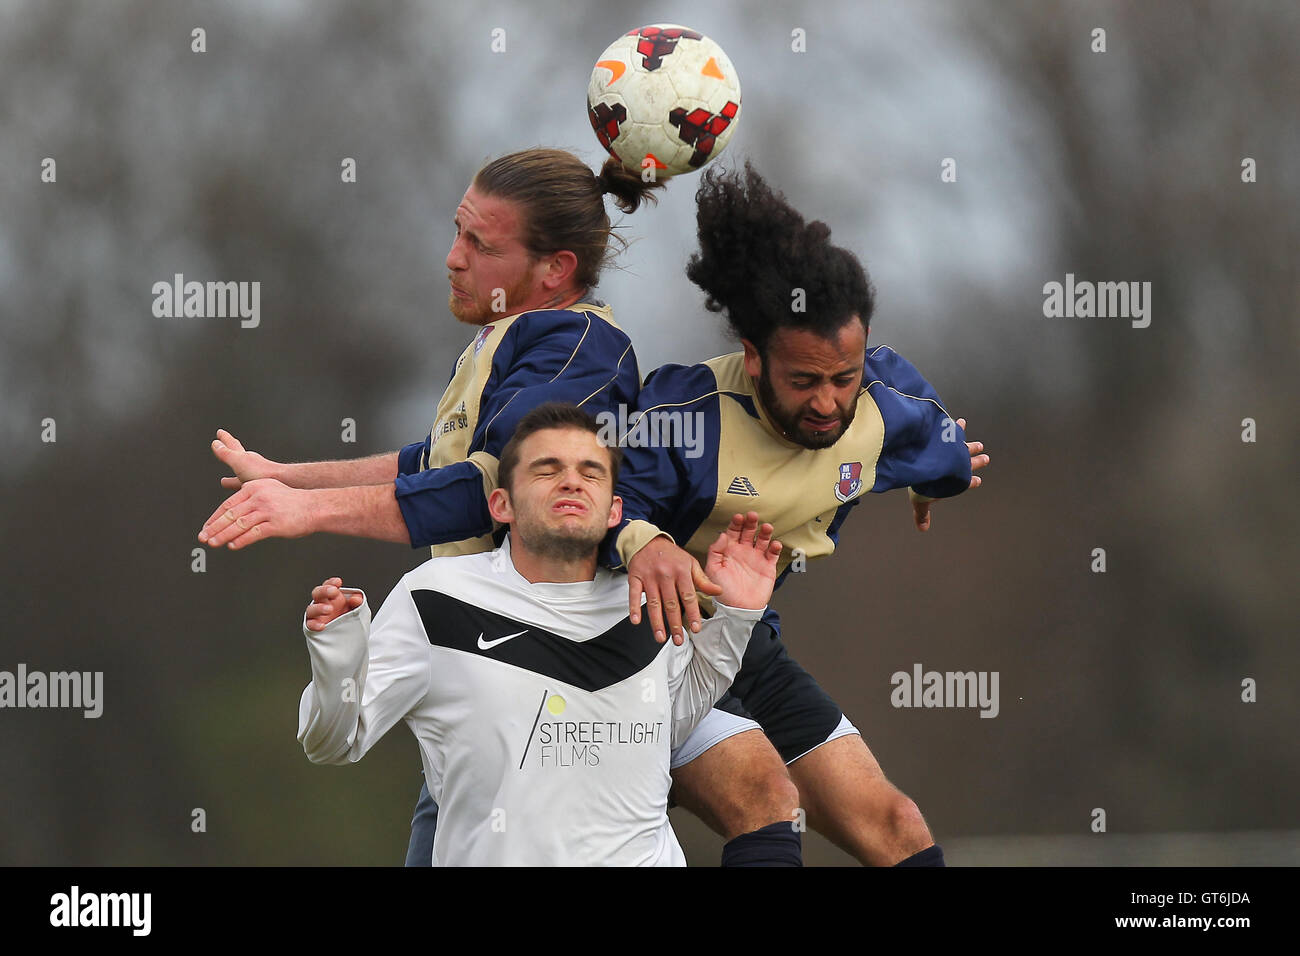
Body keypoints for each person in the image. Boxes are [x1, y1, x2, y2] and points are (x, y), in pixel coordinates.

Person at [605, 162, 991, 866]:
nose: (828, 402)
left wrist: (937, 483)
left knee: (897, 827)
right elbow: (594, 505)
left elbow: (943, 450)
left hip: (744, 644)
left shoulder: (888, 404)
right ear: (752, 358)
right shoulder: (685, 416)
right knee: (767, 802)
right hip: (641, 650)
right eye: (804, 380)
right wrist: (641, 542)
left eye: (844, 378)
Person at [296, 403, 796, 865]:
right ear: (501, 505)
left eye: (590, 472)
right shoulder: (434, 596)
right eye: (547, 469)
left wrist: (735, 615)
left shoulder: (645, 600)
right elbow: (333, 742)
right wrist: (339, 650)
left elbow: (673, 722)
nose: (571, 483)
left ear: (615, 511)